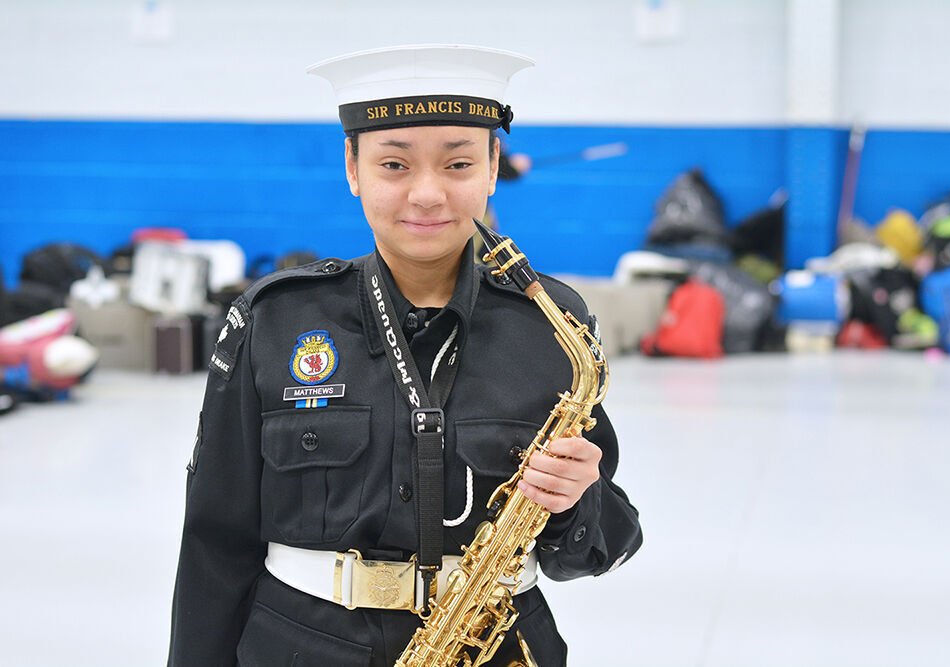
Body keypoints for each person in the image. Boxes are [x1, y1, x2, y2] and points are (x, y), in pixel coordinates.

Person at [167, 44, 642, 667]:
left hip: (497, 646)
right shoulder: (277, 318)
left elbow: (604, 542)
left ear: (493, 167)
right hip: (301, 646)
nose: (426, 195)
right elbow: (215, 538)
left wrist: (578, 499)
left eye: (458, 164)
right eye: (394, 165)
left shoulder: (553, 322)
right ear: (353, 167)